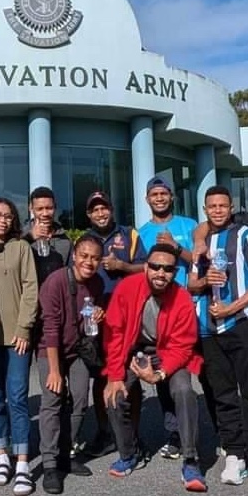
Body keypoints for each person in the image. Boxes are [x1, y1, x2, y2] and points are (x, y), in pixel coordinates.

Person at [188, 185, 248, 489]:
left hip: (243, 322)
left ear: (231, 208)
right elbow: (191, 285)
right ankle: (234, 454)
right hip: (210, 329)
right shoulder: (202, 244)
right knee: (223, 395)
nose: (217, 210)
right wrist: (204, 280)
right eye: (211, 206)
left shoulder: (244, 235)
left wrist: (233, 307)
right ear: (205, 209)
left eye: (222, 206)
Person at [102, 244, 206, 491]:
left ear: (175, 272)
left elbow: (183, 346)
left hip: (167, 354)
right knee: (115, 396)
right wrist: (115, 375)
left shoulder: (181, 298)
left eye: (168, 269)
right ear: (146, 267)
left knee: (184, 391)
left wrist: (159, 373)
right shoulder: (127, 288)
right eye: (156, 267)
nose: (161, 273)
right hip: (133, 351)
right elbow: (114, 334)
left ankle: (190, 459)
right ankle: (130, 453)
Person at [0, 197, 39, 496]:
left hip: (17, 338)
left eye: (8, 215)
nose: (3, 219)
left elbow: (31, 288)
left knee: (18, 397)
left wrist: (25, 328)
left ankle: (23, 462)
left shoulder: (21, 247)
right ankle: (2, 456)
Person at [136, 176, 198, 460]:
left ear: (171, 197)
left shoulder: (188, 225)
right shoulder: (143, 232)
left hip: (189, 307)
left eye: (164, 193)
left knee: (203, 374)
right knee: (164, 377)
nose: (159, 198)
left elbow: (199, 261)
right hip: (158, 314)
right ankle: (174, 434)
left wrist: (175, 246)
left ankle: (222, 431)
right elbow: (140, 271)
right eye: (154, 194)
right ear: (147, 199)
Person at [82, 190, 148, 457]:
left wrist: (122, 265)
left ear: (111, 209)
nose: (100, 213)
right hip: (97, 320)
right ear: (89, 214)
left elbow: (147, 268)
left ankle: (132, 434)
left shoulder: (129, 235)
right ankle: (105, 431)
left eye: (104, 208)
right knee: (101, 378)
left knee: (130, 377)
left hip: (128, 318)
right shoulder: (85, 241)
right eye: (95, 209)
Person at [37, 234, 104, 494]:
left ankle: (67, 452)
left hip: (77, 349)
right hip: (51, 349)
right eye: (84, 256)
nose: (89, 262)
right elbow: (50, 328)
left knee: (79, 398)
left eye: (95, 258)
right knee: (53, 399)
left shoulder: (95, 283)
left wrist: (99, 313)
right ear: (74, 255)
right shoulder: (55, 282)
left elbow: (90, 317)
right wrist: (54, 370)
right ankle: (50, 463)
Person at [23, 186, 73, 284]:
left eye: (49, 208)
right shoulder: (20, 235)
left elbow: (70, 273)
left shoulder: (65, 239)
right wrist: (30, 238)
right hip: (30, 296)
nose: (45, 213)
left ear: (55, 207)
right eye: (40, 209)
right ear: (31, 208)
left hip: (56, 295)